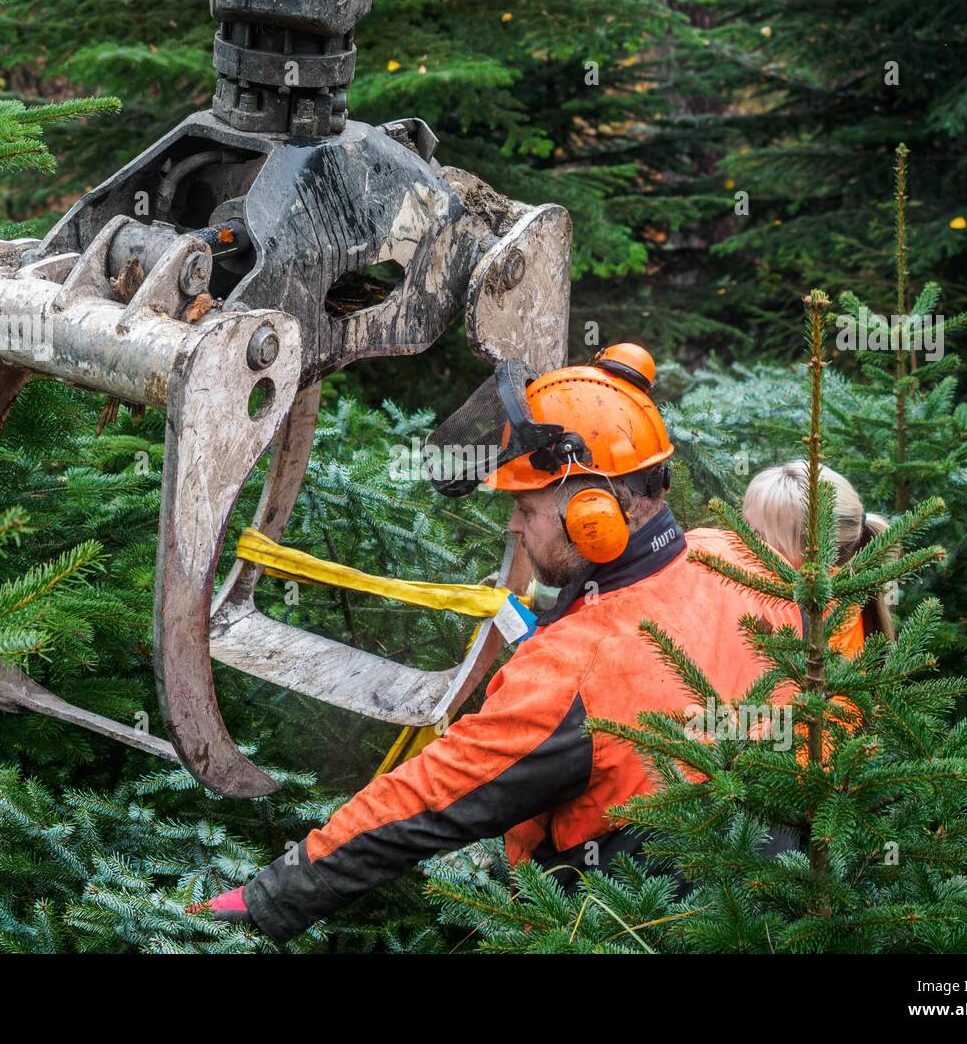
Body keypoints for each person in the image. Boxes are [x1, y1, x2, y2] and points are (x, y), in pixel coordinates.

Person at [196, 344, 803, 942]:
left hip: (628, 922)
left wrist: (267, 896)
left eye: (526, 509)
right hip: (793, 896)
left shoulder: (573, 672)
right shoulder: (740, 557)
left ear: (593, 515)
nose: (513, 526)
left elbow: (430, 795)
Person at [741, 461, 896, 654]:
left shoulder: (832, 619)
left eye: (762, 538)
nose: (743, 543)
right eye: (745, 527)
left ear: (816, 553)